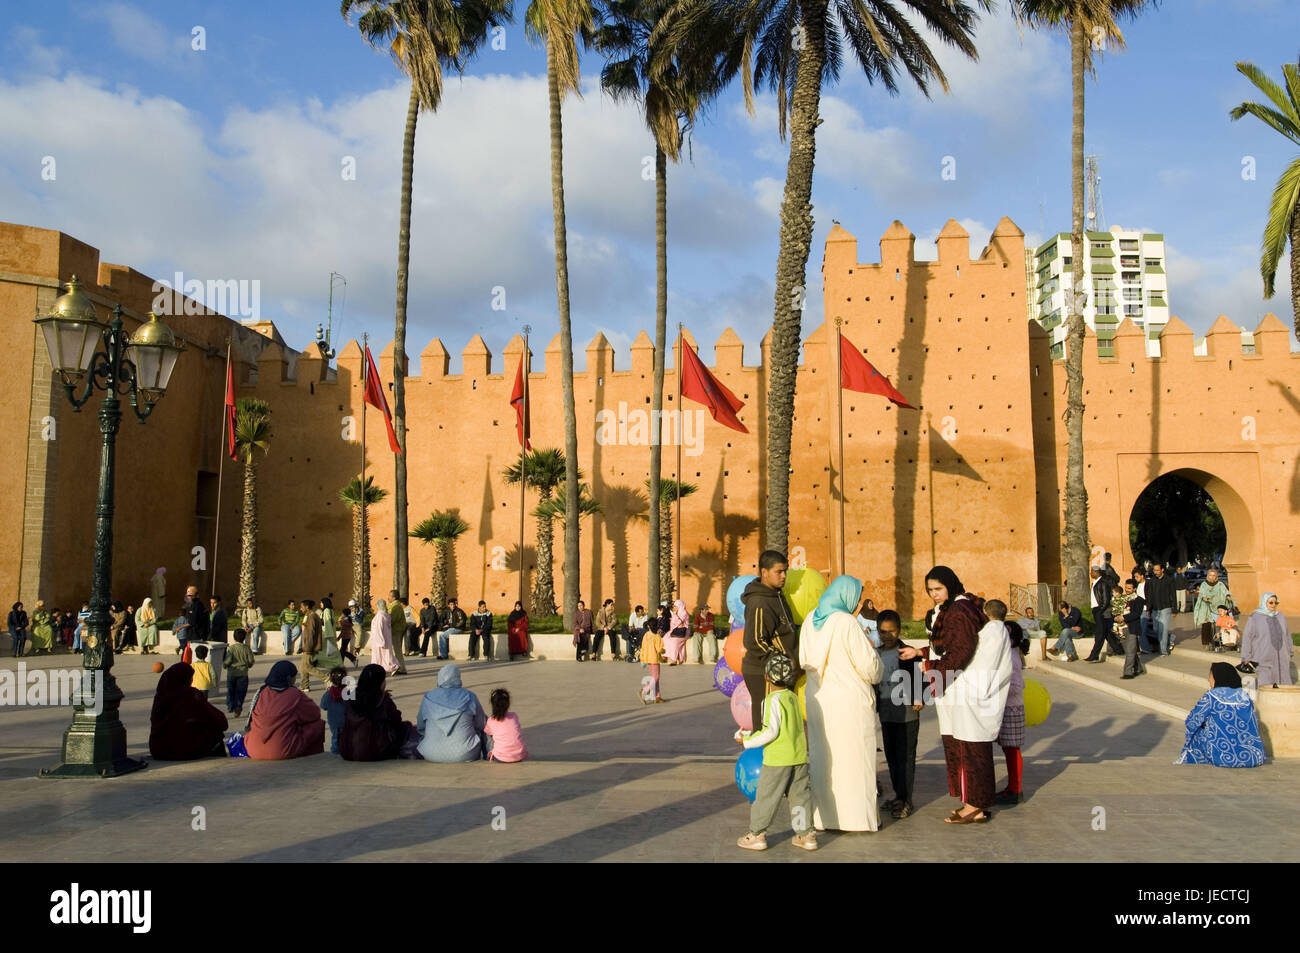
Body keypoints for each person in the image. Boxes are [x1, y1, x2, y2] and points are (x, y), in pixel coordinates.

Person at [899, 566, 994, 824]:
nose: (934, 594)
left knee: (969, 744)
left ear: (950, 586)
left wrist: (932, 667)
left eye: (938, 589)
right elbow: (946, 647)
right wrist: (921, 653)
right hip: (956, 687)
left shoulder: (960, 610)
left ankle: (975, 804)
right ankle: (972, 802)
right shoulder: (953, 608)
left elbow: (962, 650)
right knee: (962, 743)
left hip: (964, 688)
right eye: (930, 590)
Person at [798, 574, 883, 832]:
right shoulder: (846, 622)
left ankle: (825, 818)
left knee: (824, 760)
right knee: (856, 762)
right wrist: (879, 667)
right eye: (856, 598)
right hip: (850, 703)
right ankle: (858, 820)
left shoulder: (810, 620)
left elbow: (803, 659)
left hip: (819, 701)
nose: (857, 604)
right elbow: (870, 667)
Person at [735, 655, 817, 852]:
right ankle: (805, 835)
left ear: (766, 677)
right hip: (798, 756)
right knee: (800, 796)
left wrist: (746, 741)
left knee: (766, 797)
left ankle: (757, 834)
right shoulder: (793, 698)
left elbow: (770, 731)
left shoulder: (772, 701)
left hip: (777, 760)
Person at [741, 550, 798, 730]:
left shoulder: (777, 595)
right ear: (764, 572)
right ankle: (761, 750)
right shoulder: (759, 601)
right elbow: (754, 641)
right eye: (779, 571)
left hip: (781, 671)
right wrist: (780, 661)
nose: (784, 576)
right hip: (764, 672)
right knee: (768, 725)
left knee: (781, 725)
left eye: (785, 571)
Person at [875, 609, 921, 819]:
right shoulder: (876, 654)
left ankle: (906, 800)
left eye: (891, 631)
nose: (887, 636)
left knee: (905, 758)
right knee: (891, 756)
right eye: (883, 632)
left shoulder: (907, 653)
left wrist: (918, 697)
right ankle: (898, 795)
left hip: (907, 714)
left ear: (899, 630)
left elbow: (920, 674)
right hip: (886, 713)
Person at [1175, 662, 1266, 767]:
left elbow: (1191, 721)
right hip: (1254, 757)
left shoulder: (1212, 696)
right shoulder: (1245, 696)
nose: (1209, 681)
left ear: (1218, 678)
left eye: (1210, 677)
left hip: (1223, 758)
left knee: (1197, 732)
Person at [244, 660, 326, 760]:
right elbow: (315, 714)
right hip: (281, 751)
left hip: (253, 749)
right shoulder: (294, 694)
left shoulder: (261, 691)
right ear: (289, 678)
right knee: (318, 724)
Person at [148, 662, 228, 760]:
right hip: (184, 750)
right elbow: (220, 721)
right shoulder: (191, 695)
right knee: (214, 729)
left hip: (158, 750)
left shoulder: (160, 696)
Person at [341, 664, 417, 761]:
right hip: (375, 751)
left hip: (347, 750)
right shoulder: (383, 701)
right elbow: (397, 721)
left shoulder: (350, 698)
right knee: (406, 728)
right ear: (380, 682)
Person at [416, 664, 488, 762]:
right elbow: (482, 724)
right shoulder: (470, 696)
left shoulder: (428, 697)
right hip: (465, 753)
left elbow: (421, 726)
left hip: (430, 754)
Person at [996, 620, 1030, 805]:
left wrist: (994, 689)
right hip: (1007, 707)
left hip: (1011, 707)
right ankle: (1012, 787)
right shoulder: (1010, 653)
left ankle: (1015, 789)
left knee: (1012, 749)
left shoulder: (1011, 656)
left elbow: (1016, 686)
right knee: (1009, 748)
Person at [1241, 592, 1293, 687]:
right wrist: (1246, 656)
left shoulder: (1280, 616)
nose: (1273, 605)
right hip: (1263, 657)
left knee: (1283, 684)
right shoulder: (1255, 617)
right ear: (1264, 602)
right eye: (1270, 602)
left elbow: (1287, 634)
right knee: (1266, 684)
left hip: (1281, 657)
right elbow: (1247, 637)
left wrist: (1290, 650)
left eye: (1276, 603)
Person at [1084, 566, 1122, 663]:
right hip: (1096, 610)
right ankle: (1119, 649)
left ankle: (1094, 655)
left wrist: (1100, 611)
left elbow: (1106, 599)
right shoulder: (1095, 583)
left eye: (1092, 571)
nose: (1090, 573)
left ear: (1097, 572)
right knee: (1106, 632)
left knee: (1100, 634)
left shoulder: (1102, 583)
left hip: (1101, 611)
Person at [1194, 569, 1234, 651]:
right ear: (1207, 576)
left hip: (1217, 607)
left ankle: (1217, 642)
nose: (1212, 577)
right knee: (1206, 624)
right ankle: (1206, 642)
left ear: (1216, 577)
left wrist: (1228, 596)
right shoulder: (1204, 584)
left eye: (1214, 575)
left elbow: (1226, 591)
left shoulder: (1220, 584)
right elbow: (1202, 593)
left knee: (1218, 624)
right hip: (1206, 606)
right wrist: (1204, 597)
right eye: (1210, 575)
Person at [484, 688, 528, 762]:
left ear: (492, 705)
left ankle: (488, 756)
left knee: (486, 735)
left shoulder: (491, 720)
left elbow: (487, 732)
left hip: (501, 758)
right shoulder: (514, 716)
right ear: (508, 704)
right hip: (519, 755)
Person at [1145, 562, 1177, 655]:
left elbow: (1173, 595)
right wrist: (1148, 609)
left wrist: (1174, 609)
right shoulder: (1151, 581)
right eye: (1154, 570)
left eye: (1157, 570)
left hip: (1165, 608)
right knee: (1156, 629)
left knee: (1163, 630)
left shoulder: (1169, 580)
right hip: (1155, 609)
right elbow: (1149, 595)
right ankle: (1170, 637)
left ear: (1162, 570)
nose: (1155, 572)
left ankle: (1163, 651)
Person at [1119, 578, 1148, 679]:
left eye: (1129, 588)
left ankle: (1128, 672)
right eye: (1126, 588)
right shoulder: (1122, 599)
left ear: (1134, 589)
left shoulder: (1138, 600)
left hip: (1132, 628)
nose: (1127, 590)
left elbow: (1136, 614)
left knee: (1130, 651)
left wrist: (1124, 617)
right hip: (1122, 628)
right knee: (1129, 651)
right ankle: (1138, 668)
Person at [225, 628, 256, 716]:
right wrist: (248, 665)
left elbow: (228, 660)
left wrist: (225, 665)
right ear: (244, 638)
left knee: (230, 690)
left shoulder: (231, 648)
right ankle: (238, 707)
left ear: (234, 637)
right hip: (243, 673)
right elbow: (251, 660)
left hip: (232, 673)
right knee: (241, 692)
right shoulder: (247, 648)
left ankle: (230, 706)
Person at [320, 668, 348, 754]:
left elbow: (323, 706)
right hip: (347, 721)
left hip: (334, 722)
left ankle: (335, 754)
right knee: (348, 738)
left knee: (335, 739)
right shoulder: (349, 692)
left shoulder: (328, 694)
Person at [368, 599, 399, 674]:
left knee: (379, 657)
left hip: (380, 640)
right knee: (386, 656)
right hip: (386, 639)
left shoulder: (380, 616)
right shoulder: (386, 615)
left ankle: (386, 668)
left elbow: (378, 629)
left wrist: (380, 641)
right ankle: (389, 667)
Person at [639, 616, 665, 703]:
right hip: (654, 659)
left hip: (648, 659)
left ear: (648, 626)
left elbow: (643, 648)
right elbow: (659, 649)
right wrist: (664, 651)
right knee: (656, 678)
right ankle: (644, 690)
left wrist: (642, 660)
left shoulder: (646, 635)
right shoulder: (657, 636)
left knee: (654, 677)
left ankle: (657, 697)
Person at [299, 599, 322, 691]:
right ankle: (304, 686)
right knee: (303, 667)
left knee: (307, 667)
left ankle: (327, 678)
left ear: (307, 607)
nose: (300, 609)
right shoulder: (309, 615)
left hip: (309, 646)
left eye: (302, 607)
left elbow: (310, 633)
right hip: (307, 645)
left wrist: (308, 647)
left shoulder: (311, 616)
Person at [387, 591, 409, 672]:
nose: (388, 598)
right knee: (396, 650)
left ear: (394, 598)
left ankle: (401, 668)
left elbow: (392, 619)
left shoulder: (396, 607)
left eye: (389, 596)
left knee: (397, 650)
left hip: (396, 631)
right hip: (394, 631)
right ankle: (399, 667)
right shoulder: (393, 606)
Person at [663, 600, 690, 665]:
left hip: (683, 632)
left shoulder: (684, 613)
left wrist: (675, 615)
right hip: (675, 630)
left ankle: (674, 660)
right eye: (674, 606)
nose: (674, 607)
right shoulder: (676, 613)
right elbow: (672, 623)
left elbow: (679, 622)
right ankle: (664, 655)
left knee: (674, 641)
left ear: (680, 606)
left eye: (675, 606)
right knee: (665, 638)